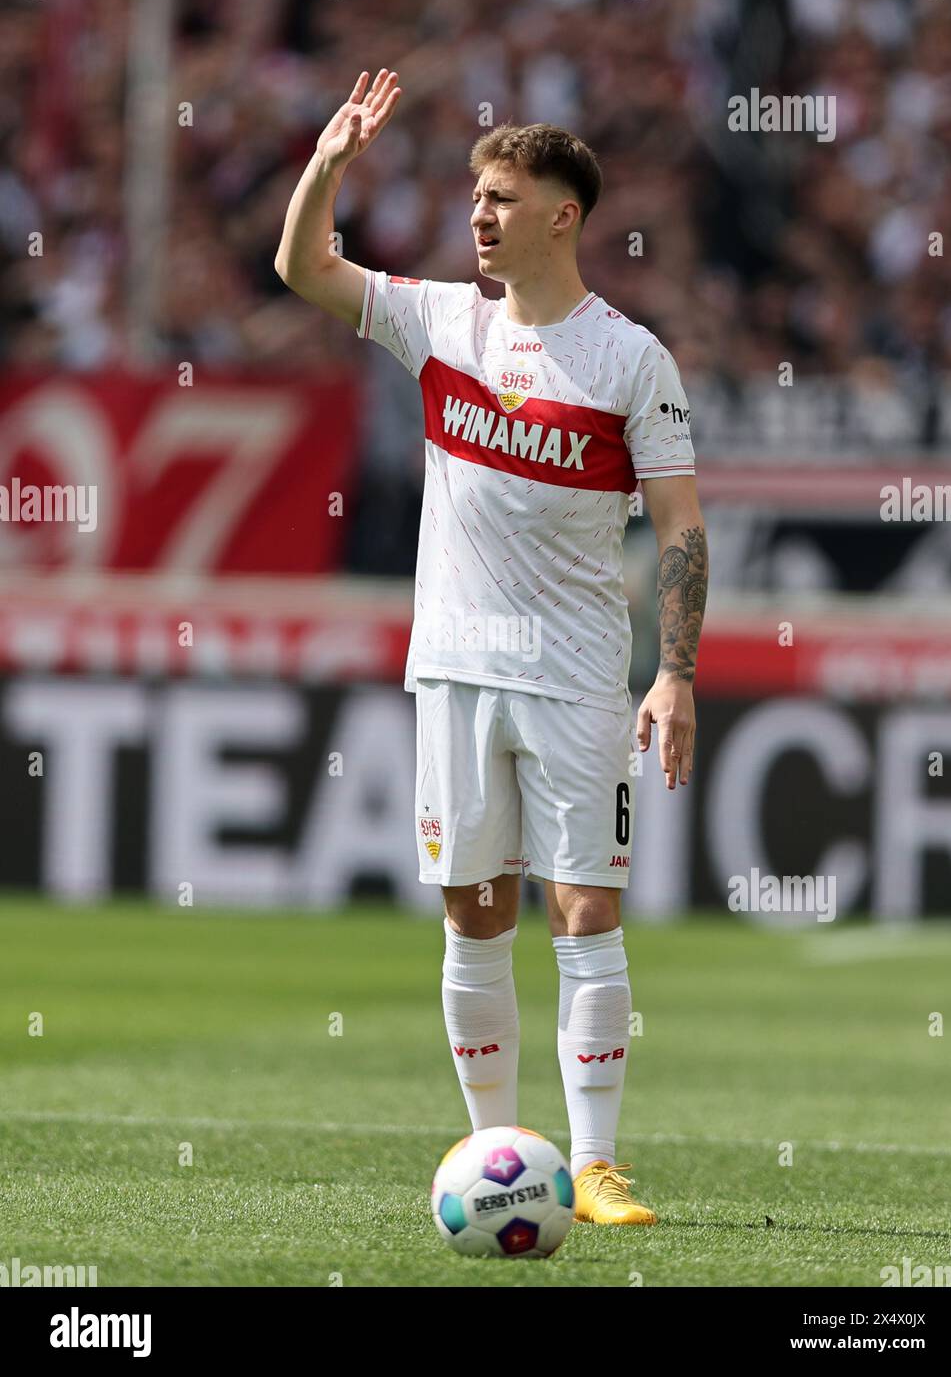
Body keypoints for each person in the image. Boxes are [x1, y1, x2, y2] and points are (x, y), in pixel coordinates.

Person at [275, 70, 708, 1225]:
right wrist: (328, 165)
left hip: (574, 676)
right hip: (455, 667)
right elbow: (304, 269)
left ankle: (601, 1163)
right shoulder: (440, 319)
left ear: (564, 217)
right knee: (475, 913)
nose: (480, 212)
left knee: (585, 912)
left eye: (504, 197)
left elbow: (681, 530)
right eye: (476, 193)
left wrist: (673, 674)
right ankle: (497, 1153)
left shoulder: (630, 360)